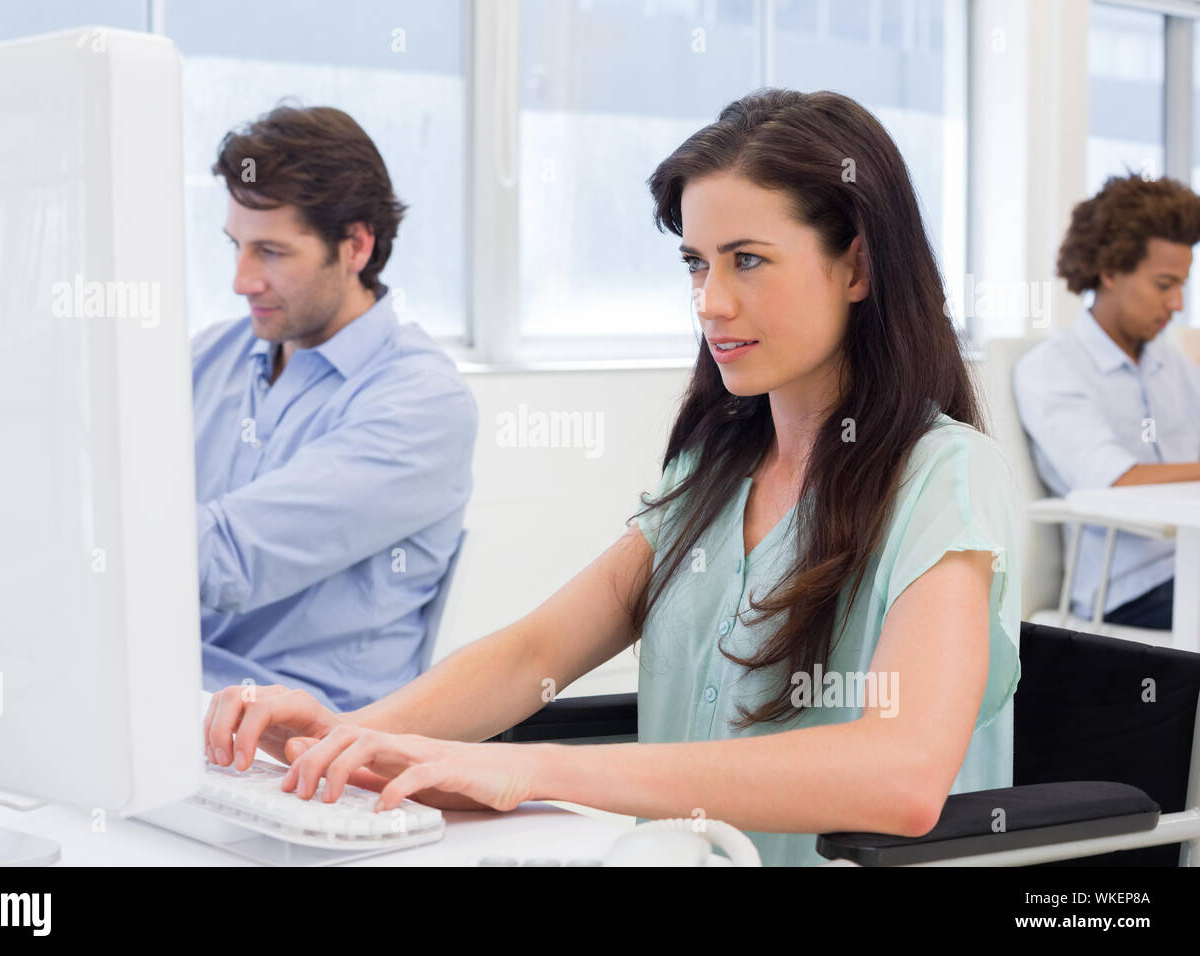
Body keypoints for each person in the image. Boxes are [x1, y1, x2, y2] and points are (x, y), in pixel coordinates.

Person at [202, 88, 1023, 866]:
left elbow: (903, 773)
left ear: (857, 268)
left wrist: (544, 771)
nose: (710, 302)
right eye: (696, 263)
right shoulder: (717, 467)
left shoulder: (944, 475)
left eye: (748, 261)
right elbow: (537, 655)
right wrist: (352, 734)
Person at [192, 104, 478, 711]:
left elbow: (226, 559)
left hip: (307, 744)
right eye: (236, 247)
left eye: (270, 252)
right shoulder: (211, 356)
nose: (241, 281)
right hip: (181, 700)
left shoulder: (420, 403)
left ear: (355, 245)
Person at [1014, 174, 1200, 630]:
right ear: (1111, 272)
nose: (1178, 303)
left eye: (1183, 284)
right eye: (1164, 284)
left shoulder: (1168, 361)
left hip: (1189, 565)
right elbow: (1116, 481)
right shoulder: (1052, 369)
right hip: (1129, 589)